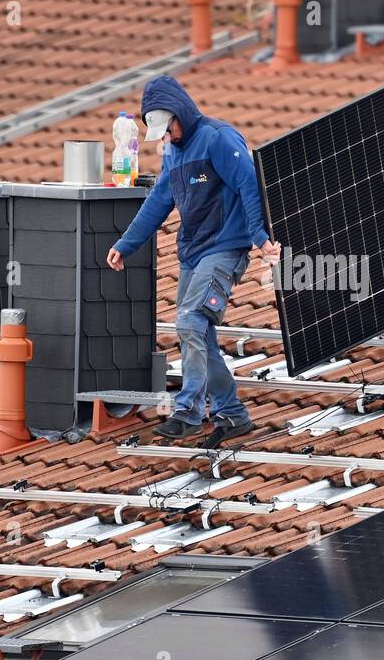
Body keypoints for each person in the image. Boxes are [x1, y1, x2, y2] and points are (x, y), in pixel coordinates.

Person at [107, 75, 281, 446]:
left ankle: (187, 413)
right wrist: (127, 243)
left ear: (178, 114)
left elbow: (250, 185)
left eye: (167, 130)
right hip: (193, 252)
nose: (166, 138)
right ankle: (232, 415)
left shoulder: (219, 138)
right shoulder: (173, 152)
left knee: (189, 321)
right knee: (196, 333)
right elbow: (158, 201)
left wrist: (260, 237)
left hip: (225, 249)